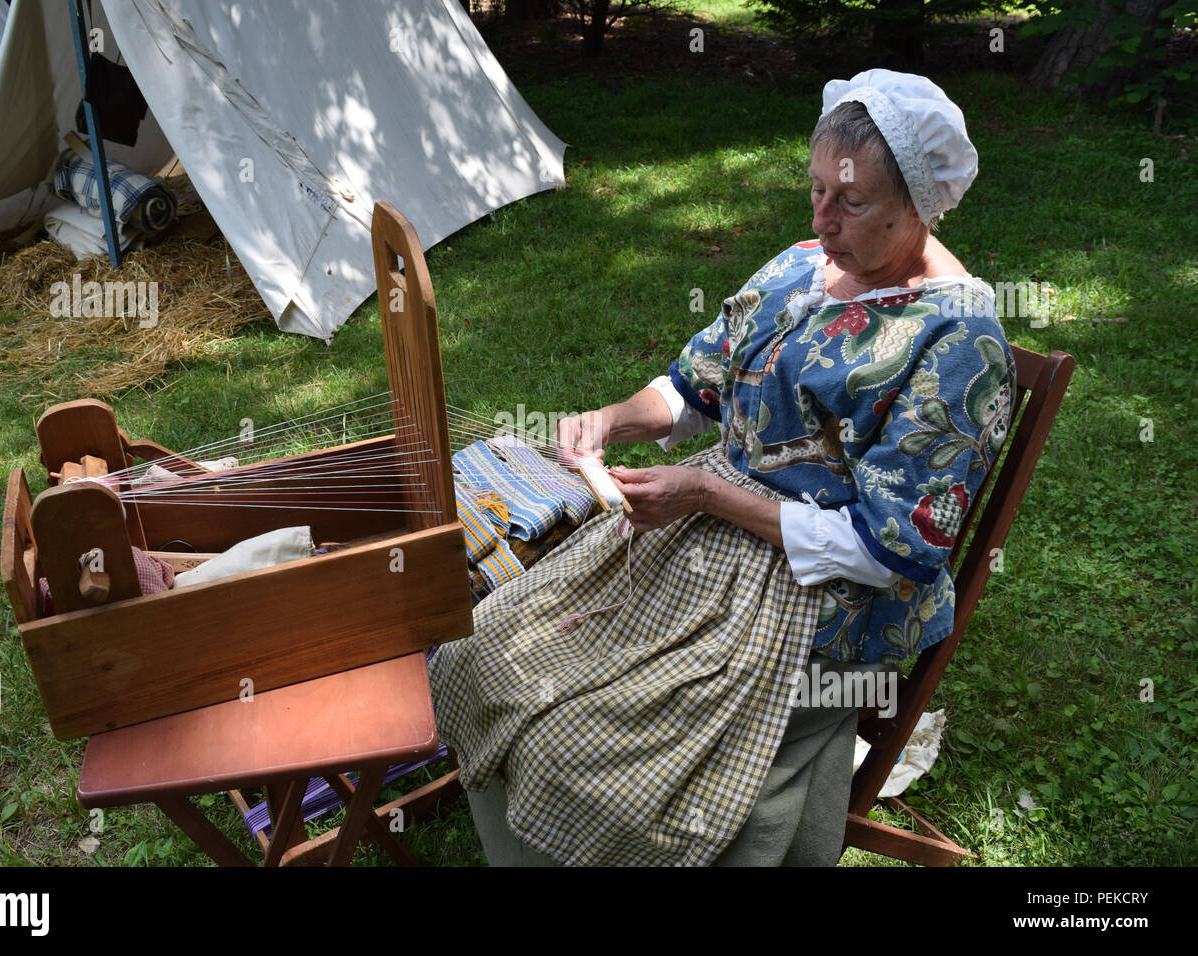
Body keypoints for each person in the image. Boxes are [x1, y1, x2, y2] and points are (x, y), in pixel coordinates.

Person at [428, 69, 1016, 866]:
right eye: (816, 191)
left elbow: (891, 552)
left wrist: (706, 492)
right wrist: (611, 420)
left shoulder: (957, 341)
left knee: (583, 753)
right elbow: (693, 386)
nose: (822, 220)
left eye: (850, 203)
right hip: (704, 528)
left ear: (919, 205)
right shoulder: (799, 267)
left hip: (823, 595)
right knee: (481, 649)